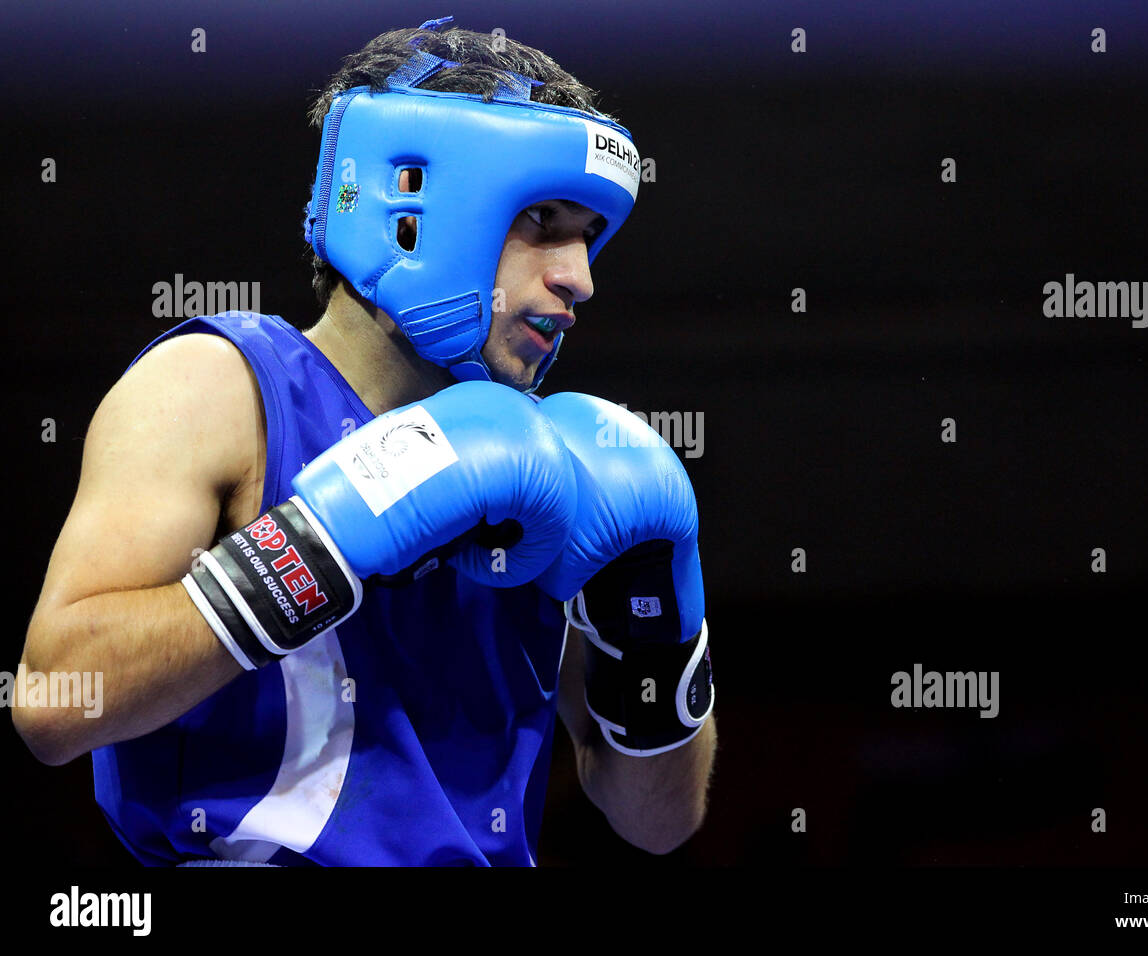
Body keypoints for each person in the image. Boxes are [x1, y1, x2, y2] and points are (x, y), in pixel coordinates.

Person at [15, 17, 716, 866]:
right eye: (542, 220)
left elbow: (657, 823)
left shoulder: (559, 469)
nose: (579, 278)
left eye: (588, 236)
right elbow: (53, 704)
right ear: (410, 208)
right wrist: (325, 543)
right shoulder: (221, 388)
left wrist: (660, 626)